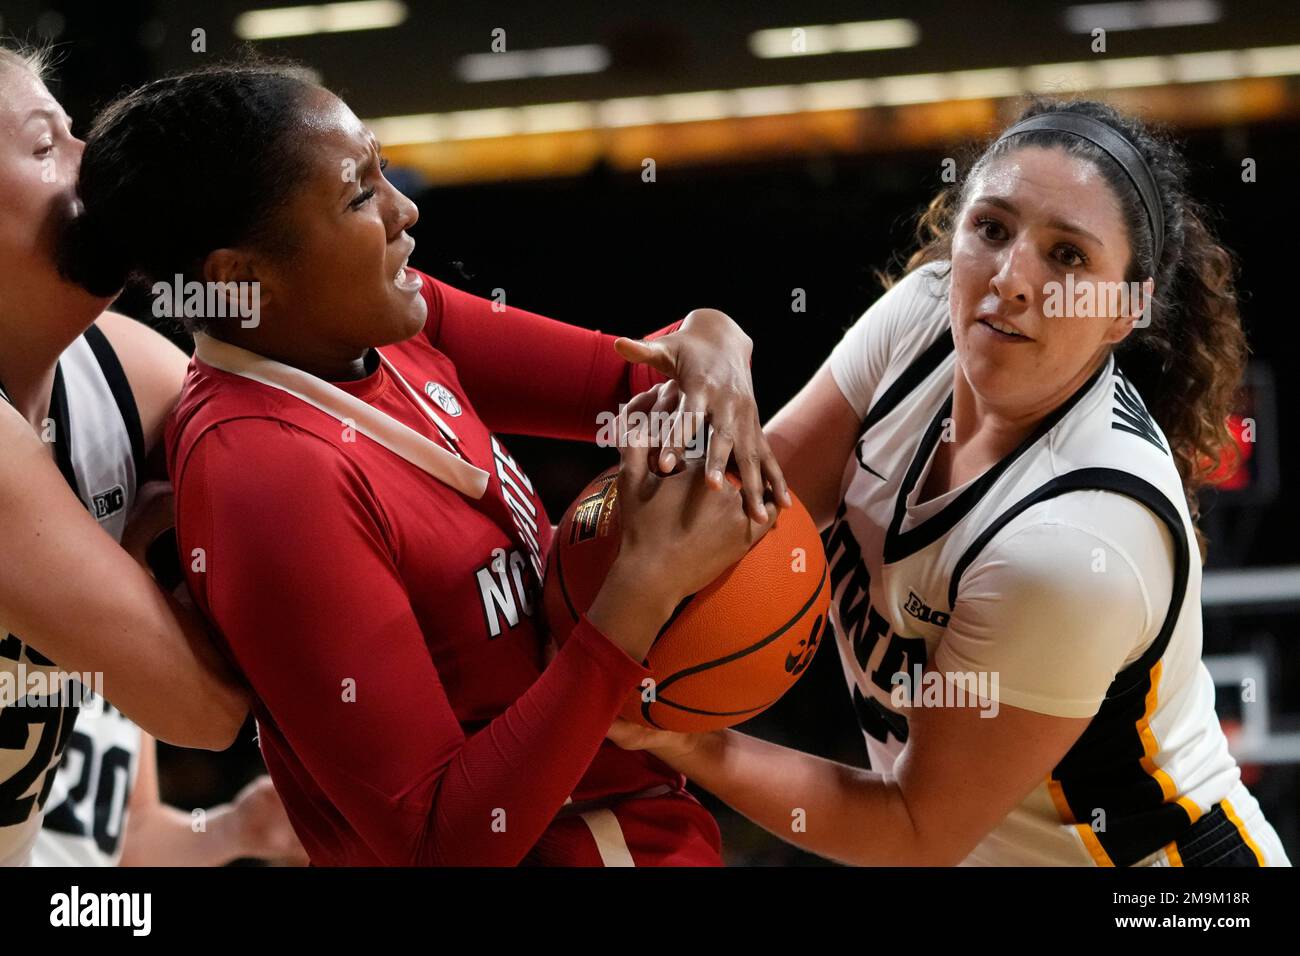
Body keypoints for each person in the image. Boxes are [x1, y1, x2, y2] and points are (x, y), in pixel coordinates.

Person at [65, 61, 788, 866]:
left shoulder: (387, 319)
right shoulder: (268, 478)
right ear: (242, 276)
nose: (406, 210)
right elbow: (438, 846)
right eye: (360, 196)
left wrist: (716, 342)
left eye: (381, 170)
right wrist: (640, 593)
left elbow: (637, 377)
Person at [612, 98, 1291, 867]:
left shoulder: (1073, 545)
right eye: (992, 230)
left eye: (1068, 256)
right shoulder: (923, 314)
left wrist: (688, 741)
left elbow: (912, 829)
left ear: (1126, 312)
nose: (1012, 279)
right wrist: (707, 358)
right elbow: (753, 512)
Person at [0, 41, 251, 867]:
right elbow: (205, 712)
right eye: (44, 145)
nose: (91, 158)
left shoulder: (122, 367)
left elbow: (327, 455)